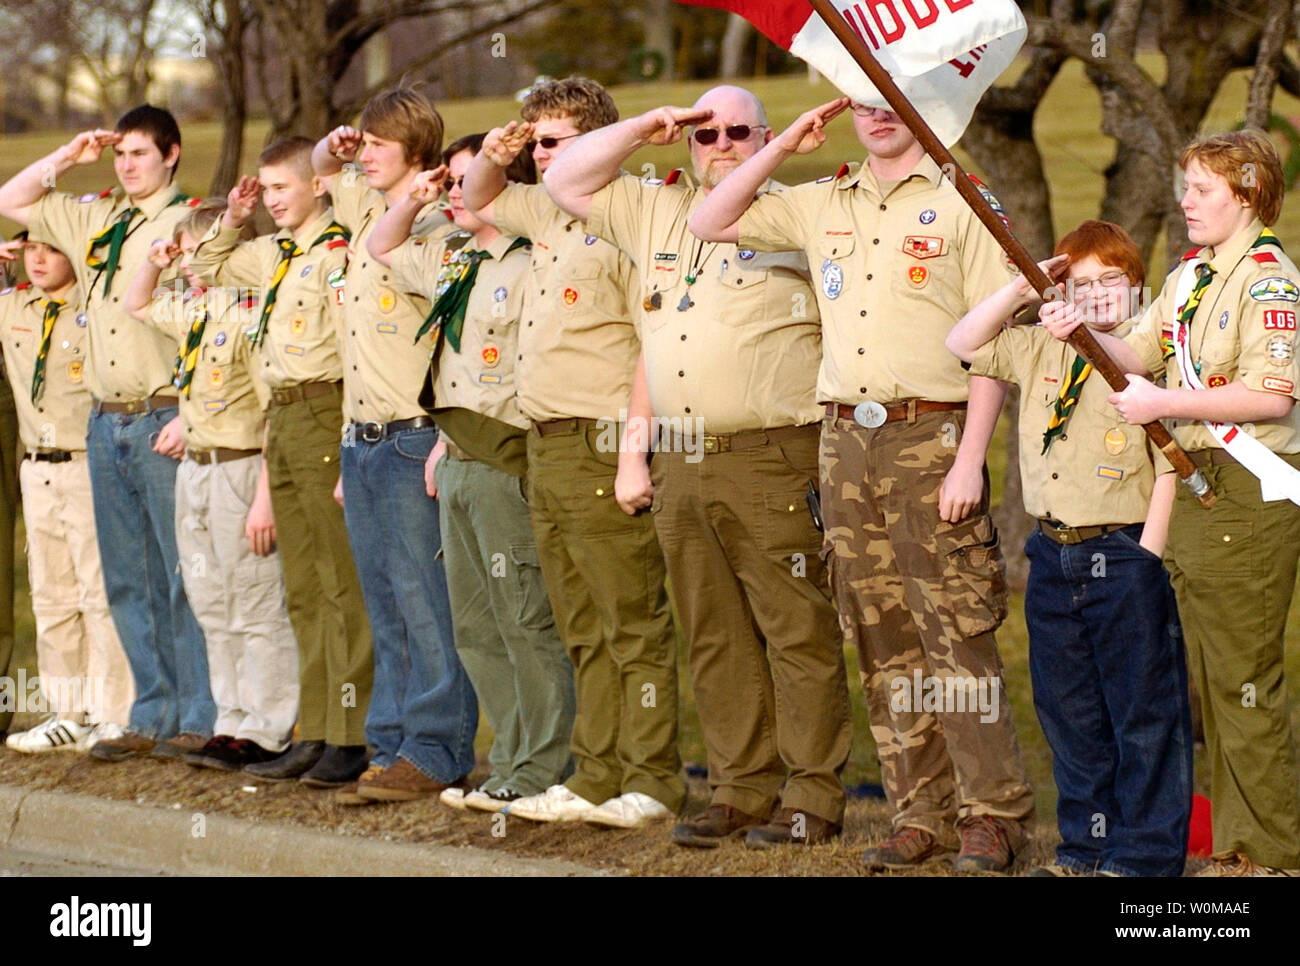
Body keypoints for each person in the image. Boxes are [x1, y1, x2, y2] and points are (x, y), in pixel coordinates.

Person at [691, 98, 1035, 872]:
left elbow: (998, 342)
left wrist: (972, 457)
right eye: (865, 101)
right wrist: (780, 146)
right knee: (881, 639)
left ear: (927, 105)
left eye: (895, 100)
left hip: (933, 434)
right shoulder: (821, 200)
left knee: (955, 633)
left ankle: (993, 813)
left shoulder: (964, 204)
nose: (879, 115)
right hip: (845, 440)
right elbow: (709, 221)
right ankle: (922, 812)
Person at [544, 86, 853, 847]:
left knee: (795, 630)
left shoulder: (797, 210)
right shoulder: (654, 208)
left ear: (768, 136)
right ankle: (741, 786)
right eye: (704, 131)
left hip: (773, 452)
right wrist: (643, 127)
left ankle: (812, 792)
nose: (719, 143)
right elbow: (564, 179)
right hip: (682, 456)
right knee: (713, 632)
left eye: (737, 131)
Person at [1039, 130, 1300, 876]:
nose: (1184, 201)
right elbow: (1136, 353)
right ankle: (1235, 845)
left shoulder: (1267, 279)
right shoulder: (1191, 276)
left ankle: (1267, 852)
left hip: (1248, 483)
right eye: (1184, 186)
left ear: (1246, 195)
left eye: (1202, 190)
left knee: (1244, 677)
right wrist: (1083, 330)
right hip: (1197, 486)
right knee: (1213, 677)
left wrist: (1162, 399)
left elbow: (1271, 394)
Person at [461, 77, 681, 828]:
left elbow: (653, 345)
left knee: (632, 622)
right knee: (581, 623)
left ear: (594, 143)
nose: (539, 155)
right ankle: (597, 775)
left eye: (553, 141)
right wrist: (499, 150)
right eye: (534, 140)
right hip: (544, 443)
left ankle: (652, 779)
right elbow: (477, 197)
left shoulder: (622, 217)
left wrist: (632, 454)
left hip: (600, 439)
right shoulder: (544, 214)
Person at [947, 220, 1193, 877]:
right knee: (1070, 712)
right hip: (1052, 550)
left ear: (1138, 288)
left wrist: (1150, 552)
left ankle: (1142, 855)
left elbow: (1174, 460)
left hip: (1124, 548)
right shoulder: (1037, 349)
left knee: (1141, 711)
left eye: (1113, 280)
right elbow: (961, 341)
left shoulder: (1153, 358)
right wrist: (1021, 288)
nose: (1099, 294)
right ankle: (1084, 849)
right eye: (1081, 284)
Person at [367, 133, 575, 812]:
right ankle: (510, 758)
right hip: (453, 456)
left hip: (504, 457)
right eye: (450, 181)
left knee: (524, 617)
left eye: (465, 181)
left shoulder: (530, 259)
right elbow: (384, 247)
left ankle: (543, 764)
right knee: (477, 627)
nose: (454, 192)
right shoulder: (457, 260)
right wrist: (415, 197)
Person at [0, 105, 215, 763]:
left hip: (161, 413)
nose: (126, 166)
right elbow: (13, 198)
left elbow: (215, 323)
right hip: (104, 420)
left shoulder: (191, 224)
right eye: (120, 155)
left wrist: (193, 410)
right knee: (126, 577)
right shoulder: (99, 218)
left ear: (171, 155)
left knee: (179, 574)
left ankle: (195, 717)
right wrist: (68, 156)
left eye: (139, 155)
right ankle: (143, 714)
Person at [187, 136, 373, 786]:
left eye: (279, 189)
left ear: (317, 185)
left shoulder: (336, 253)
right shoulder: (273, 253)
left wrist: (352, 438)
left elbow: (356, 351)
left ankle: (351, 734)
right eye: (263, 190)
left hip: (326, 410)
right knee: (301, 586)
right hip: (284, 417)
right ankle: (314, 729)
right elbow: (209, 267)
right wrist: (234, 218)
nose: (270, 201)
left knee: (336, 580)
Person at [311, 86, 478, 798]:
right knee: (382, 599)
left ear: (418, 152)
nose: (365, 154)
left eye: (381, 144)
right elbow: (322, 167)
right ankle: (389, 743)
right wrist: (339, 144)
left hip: (414, 438)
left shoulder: (439, 227)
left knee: (424, 601)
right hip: (361, 439)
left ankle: (436, 750)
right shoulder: (367, 208)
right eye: (365, 143)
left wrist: (448, 435)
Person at [124, 201, 299, 772]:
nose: (189, 266)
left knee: (254, 602)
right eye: (184, 255)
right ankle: (231, 720)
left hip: (241, 468)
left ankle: (270, 727)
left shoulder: (250, 316)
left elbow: (274, 413)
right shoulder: (195, 313)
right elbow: (138, 302)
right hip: (196, 469)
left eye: (195, 254)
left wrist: (266, 501)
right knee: (211, 602)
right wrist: (154, 262)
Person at [0, 235, 132, 751]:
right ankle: (66, 711)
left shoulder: (98, 307)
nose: (37, 260)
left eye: (51, 250)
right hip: (36, 468)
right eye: (29, 248)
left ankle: (111, 711)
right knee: (51, 594)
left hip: (86, 463)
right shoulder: (14, 307)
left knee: (98, 593)